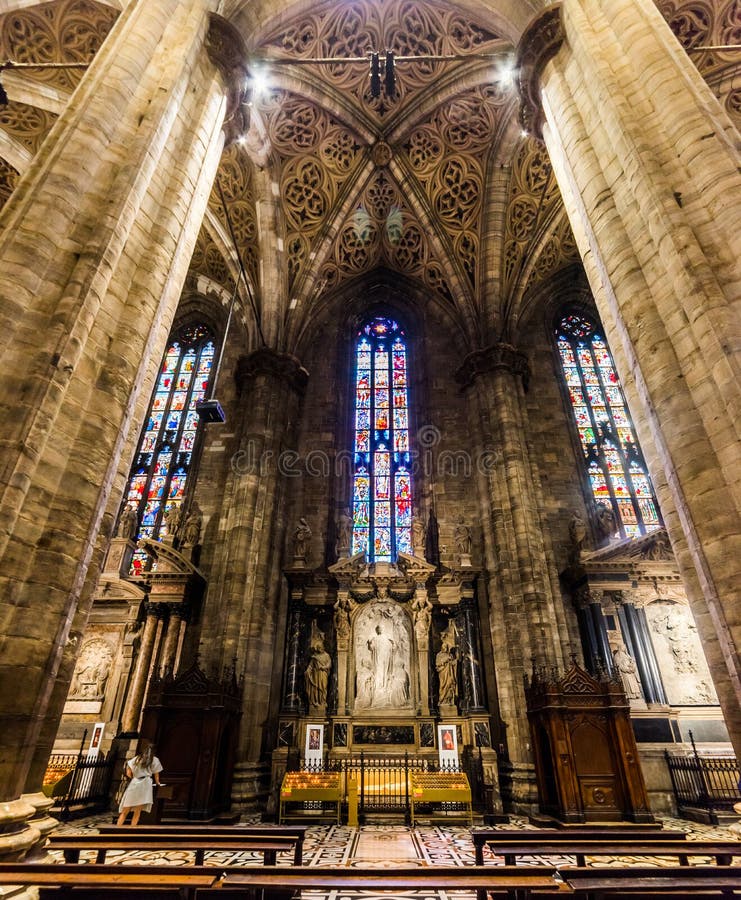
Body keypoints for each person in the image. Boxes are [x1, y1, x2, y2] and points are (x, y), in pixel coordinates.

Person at [116, 743, 163, 826]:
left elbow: (128, 773)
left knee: (125, 810)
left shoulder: (137, 759)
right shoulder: (155, 760)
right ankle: (132, 829)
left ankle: (117, 829)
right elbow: (156, 776)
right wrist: (158, 783)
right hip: (146, 784)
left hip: (135, 782)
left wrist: (135, 777)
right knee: (137, 811)